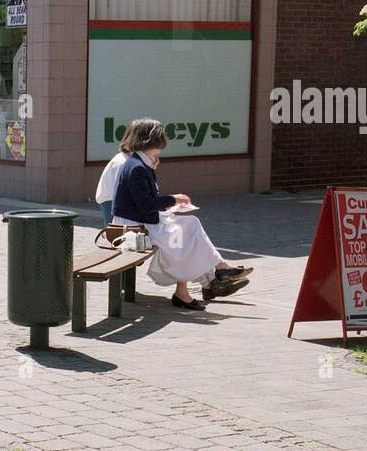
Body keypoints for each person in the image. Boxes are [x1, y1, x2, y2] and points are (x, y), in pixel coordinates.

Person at [111, 119, 252, 310]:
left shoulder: (141, 164)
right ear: (151, 141)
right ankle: (210, 277)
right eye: (160, 139)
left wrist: (165, 195)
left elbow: (146, 203)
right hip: (134, 228)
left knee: (189, 227)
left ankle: (214, 274)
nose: (163, 144)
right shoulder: (137, 168)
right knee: (186, 235)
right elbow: (146, 205)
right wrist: (174, 199)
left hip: (142, 222)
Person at [95, 120, 146, 225]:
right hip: (111, 201)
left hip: (116, 201)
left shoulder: (133, 160)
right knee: (116, 235)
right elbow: (120, 192)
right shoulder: (123, 162)